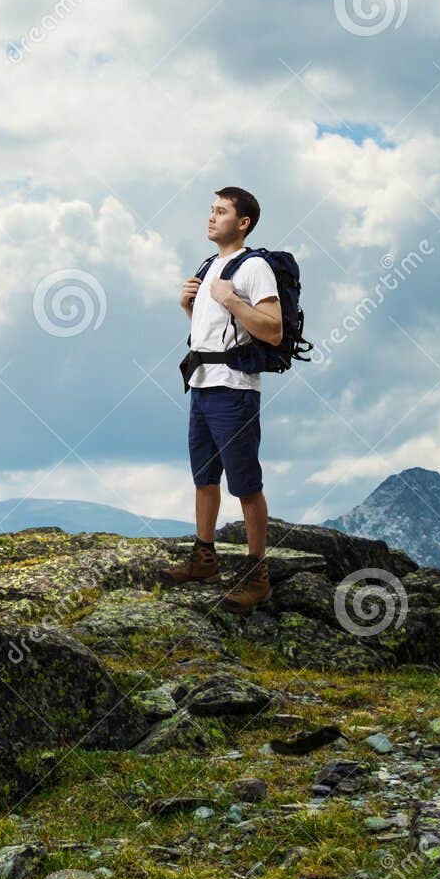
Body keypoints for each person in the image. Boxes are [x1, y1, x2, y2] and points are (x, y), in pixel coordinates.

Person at [162, 187, 283, 612]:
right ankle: (205, 558)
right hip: (201, 382)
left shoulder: (254, 269)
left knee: (246, 485)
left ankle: (257, 576)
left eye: (221, 211)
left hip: (234, 389)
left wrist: (230, 297)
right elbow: (211, 330)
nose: (211, 218)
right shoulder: (211, 265)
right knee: (204, 477)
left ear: (243, 222)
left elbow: (272, 329)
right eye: (210, 210)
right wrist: (187, 308)